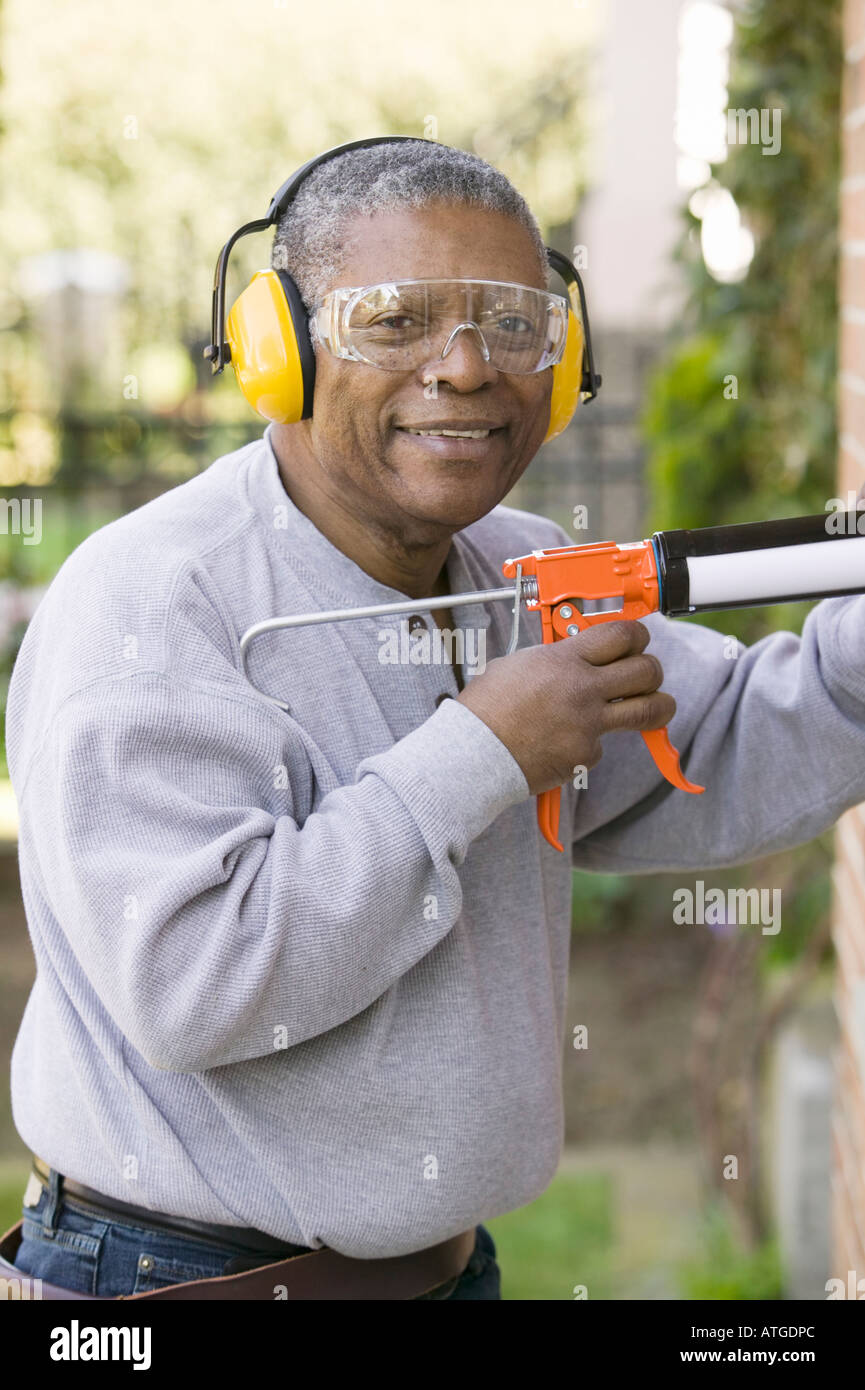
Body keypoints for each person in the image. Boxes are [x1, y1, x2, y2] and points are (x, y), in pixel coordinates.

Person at [6, 139, 865, 1301]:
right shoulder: (153, 603)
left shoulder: (523, 574)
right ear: (279, 350)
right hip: (173, 1285)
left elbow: (750, 738)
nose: (465, 368)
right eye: (395, 320)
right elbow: (195, 986)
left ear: (562, 369)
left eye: (511, 324)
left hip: (446, 1275)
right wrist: (486, 751)